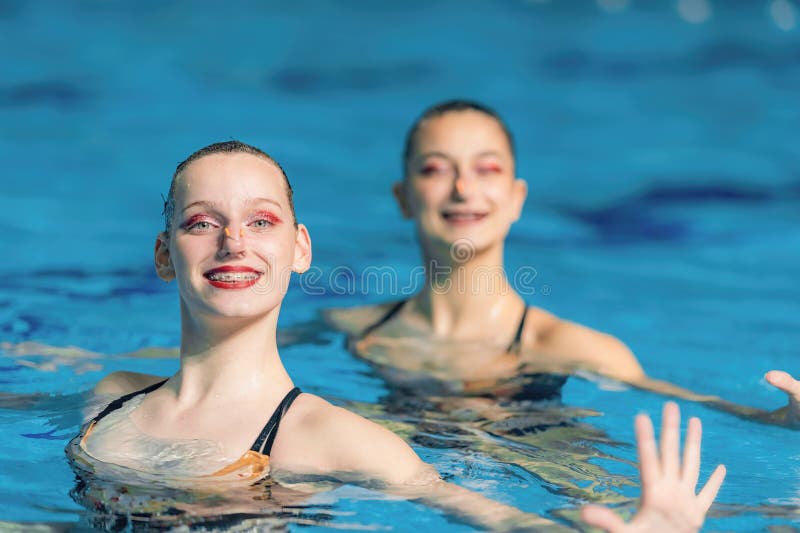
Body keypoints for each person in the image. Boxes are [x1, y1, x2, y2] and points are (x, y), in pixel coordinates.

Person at [66, 140, 725, 531]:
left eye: (261, 221)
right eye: (202, 222)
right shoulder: (110, 399)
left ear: (300, 249)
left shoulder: (333, 439)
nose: (234, 242)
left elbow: (494, 517)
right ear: (164, 253)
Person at [324, 100, 800, 428]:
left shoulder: (575, 349)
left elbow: (690, 403)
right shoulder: (350, 327)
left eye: (487, 168)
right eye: (435, 169)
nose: (463, 189)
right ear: (403, 197)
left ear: (517, 198)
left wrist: (778, 420)